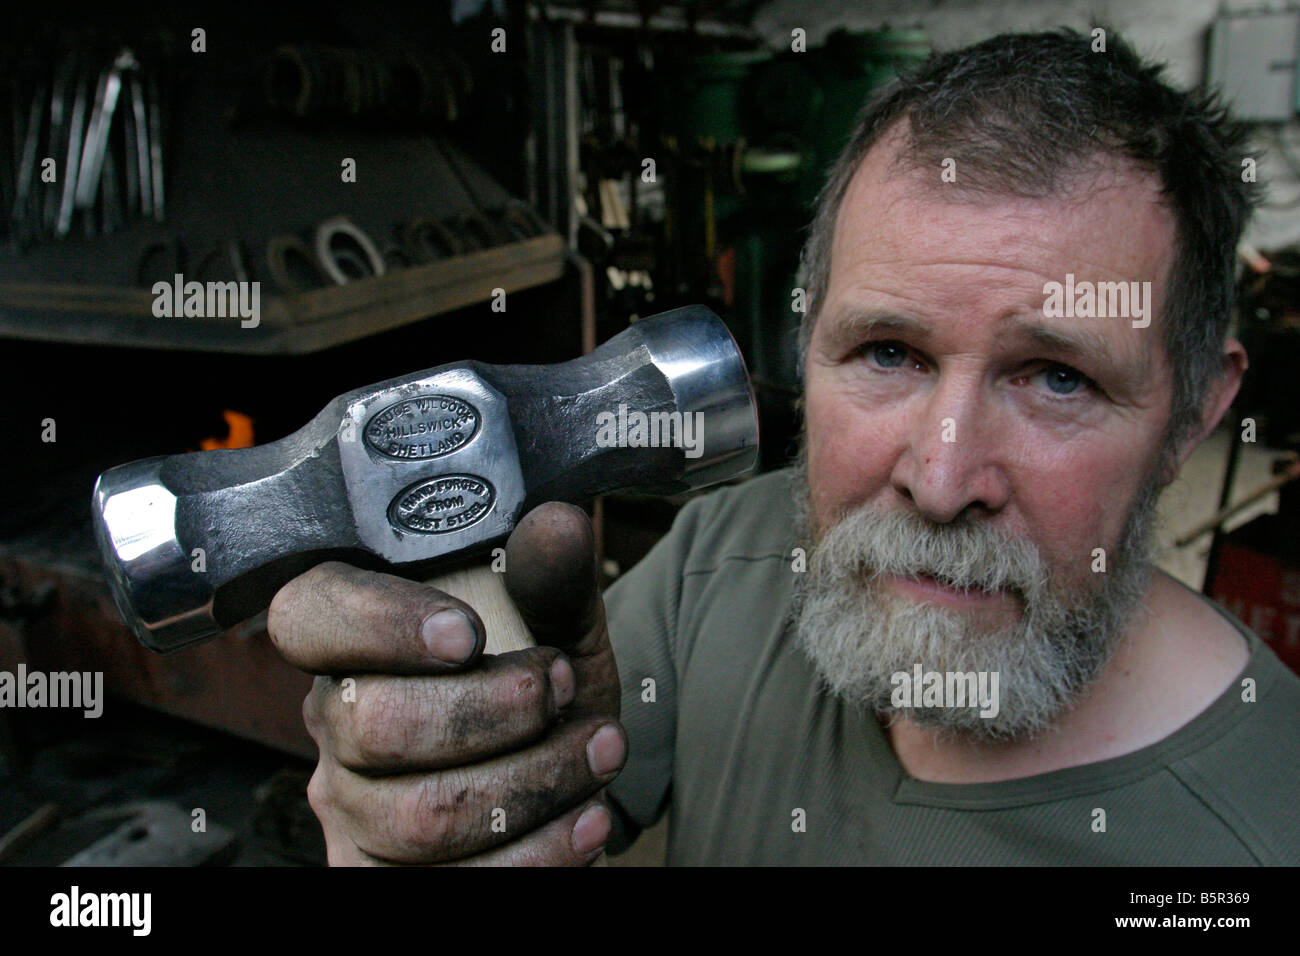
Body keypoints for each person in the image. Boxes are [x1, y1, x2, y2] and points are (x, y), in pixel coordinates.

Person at [265, 28, 1300, 865]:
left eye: (1057, 378)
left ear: (1195, 414)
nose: (939, 481)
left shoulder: (1261, 827)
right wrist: (425, 813)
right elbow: (513, 807)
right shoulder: (723, 560)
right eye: (888, 352)